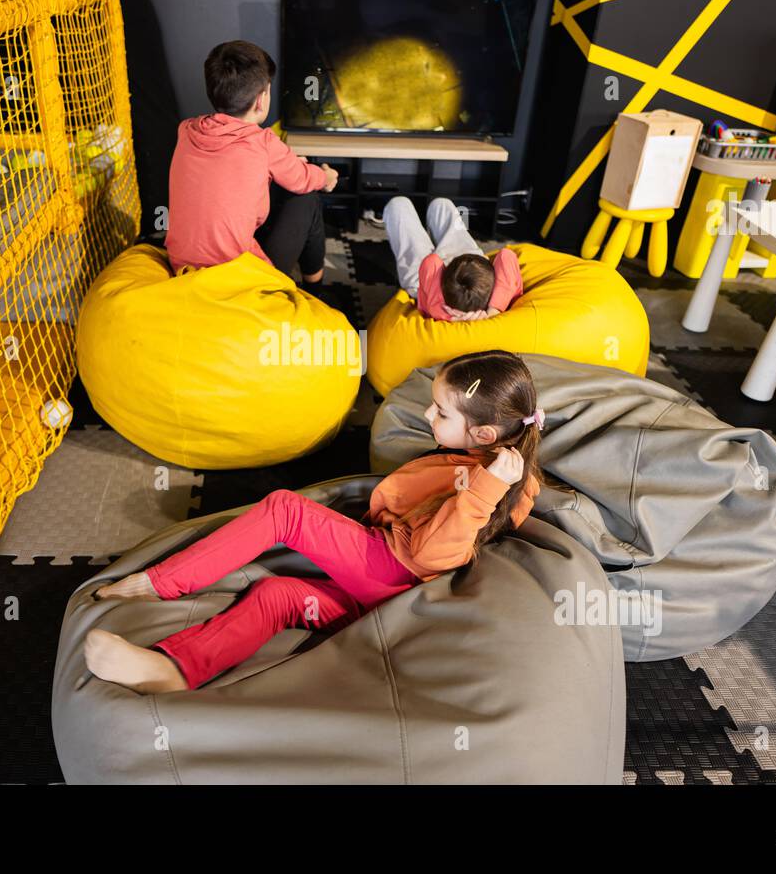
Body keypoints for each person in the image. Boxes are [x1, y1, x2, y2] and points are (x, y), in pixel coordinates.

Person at [83, 350, 545, 693]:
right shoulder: (491, 457)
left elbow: (431, 552)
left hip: (391, 568)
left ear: (484, 434)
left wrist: (485, 489)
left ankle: (160, 583)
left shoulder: (491, 482)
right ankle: (174, 670)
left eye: (440, 412)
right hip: (381, 599)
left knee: (285, 510)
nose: (426, 415)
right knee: (276, 595)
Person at [164, 40, 338, 287]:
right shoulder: (264, 142)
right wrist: (327, 176)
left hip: (181, 266)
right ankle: (314, 294)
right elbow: (303, 180)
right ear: (261, 100)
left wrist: (282, 165)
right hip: (237, 280)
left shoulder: (186, 130)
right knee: (307, 200)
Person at [384, 195, 523, 321]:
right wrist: (494, 310)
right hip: (470, 270)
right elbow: (507, 256)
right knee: (441, 204)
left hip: (423, 282)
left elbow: (430, 263)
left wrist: (446, 316)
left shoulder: (439, 310)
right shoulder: (497, 305)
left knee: (397, 205)